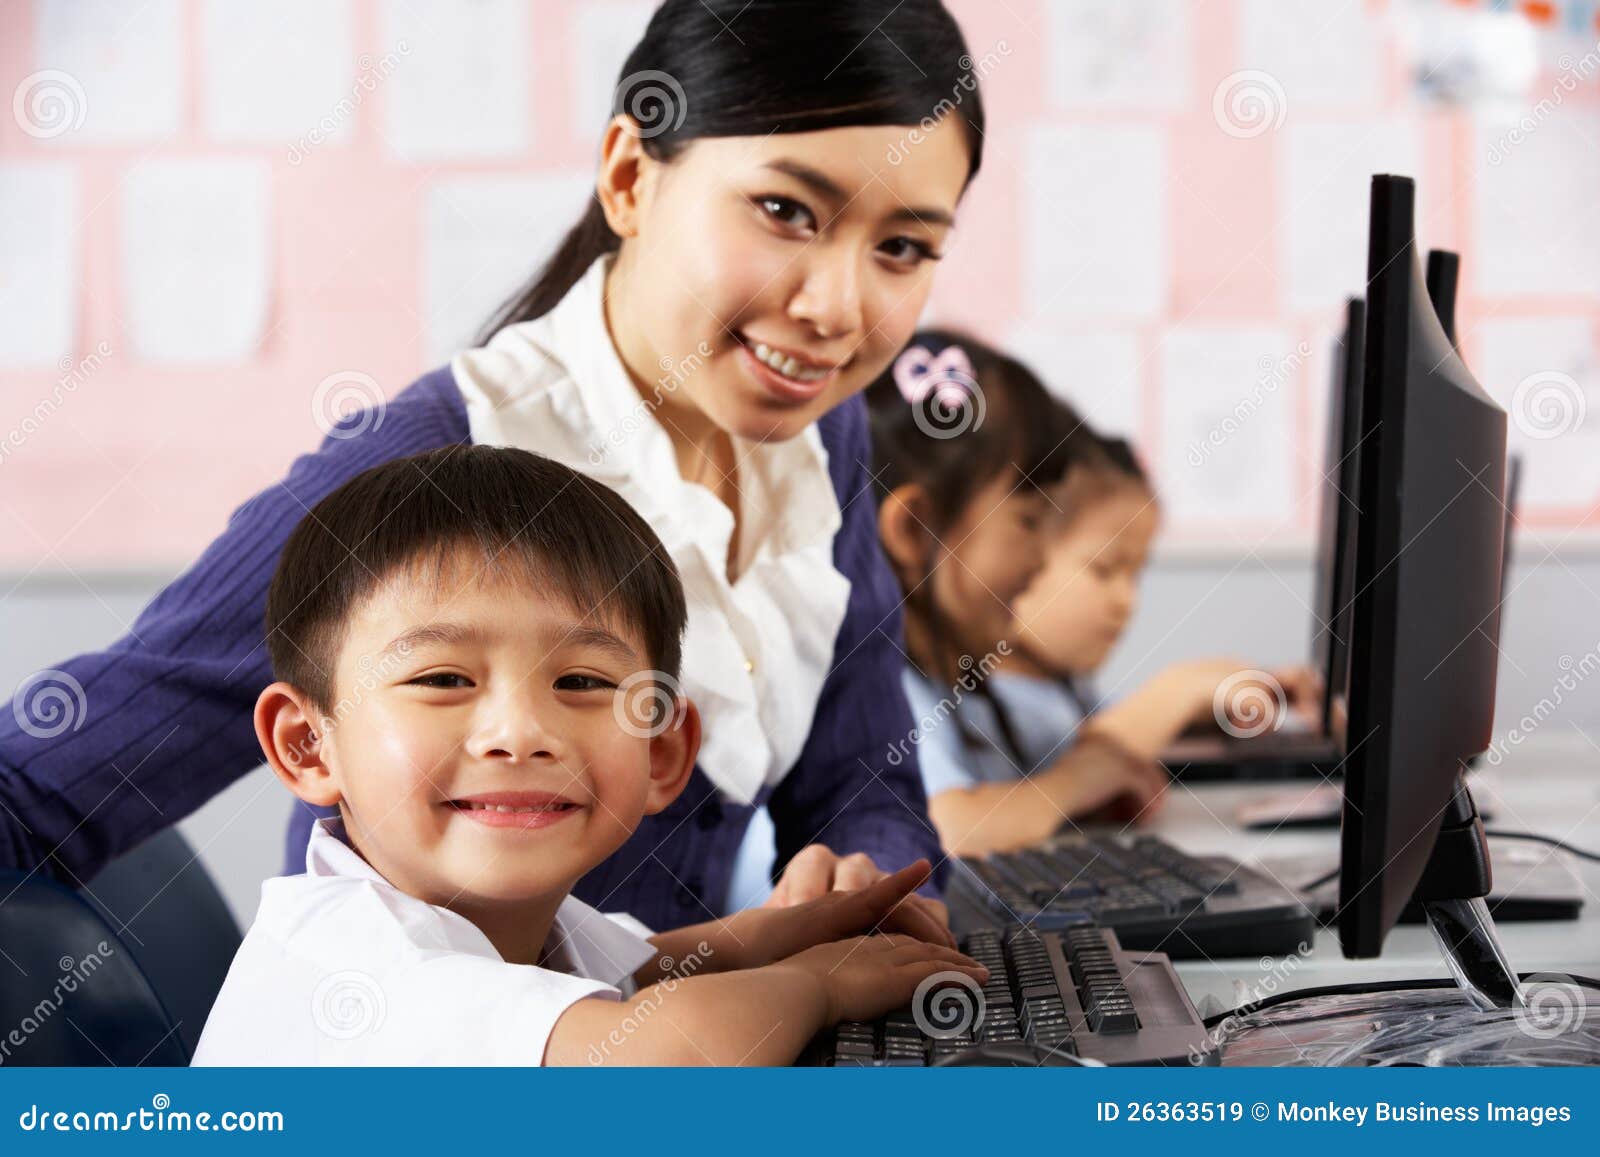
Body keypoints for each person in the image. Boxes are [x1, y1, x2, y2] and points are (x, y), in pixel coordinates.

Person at [0, 0, 986, 936]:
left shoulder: (823, 436)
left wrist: (869, 876)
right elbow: (36, 788)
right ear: (629, 177)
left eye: (901, 247)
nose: (838, 307)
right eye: (783, 209)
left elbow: (865, 778)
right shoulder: (431, 462)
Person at [192, 446, 984, 1065]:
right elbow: (664, 1054)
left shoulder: (508, 925)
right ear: (307, 744)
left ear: (664, 752)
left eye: (581, 679)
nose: (520, 731)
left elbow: (644, 972)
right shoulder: (354, 967)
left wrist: (784, 932)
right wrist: (819, 984)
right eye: (442, 678)